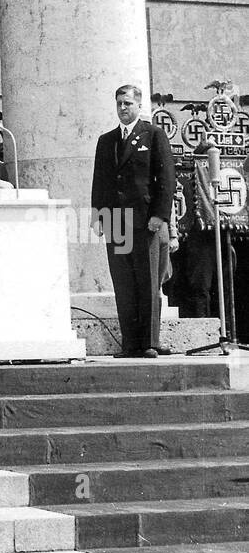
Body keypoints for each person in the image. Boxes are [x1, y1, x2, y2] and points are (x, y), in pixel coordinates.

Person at [91, 82, 176, 359]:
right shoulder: (107, 140)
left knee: (148, 281)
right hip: (116, 220)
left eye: (128, 103)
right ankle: (130, 344)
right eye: (119, 104)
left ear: (139, 105)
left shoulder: (153, 135)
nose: (123, 109)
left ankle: (149, 342)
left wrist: (159, 216)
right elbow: (100, 181)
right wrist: (98, 215)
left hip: (144, 220)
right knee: (124, 283)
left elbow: (166, 180)